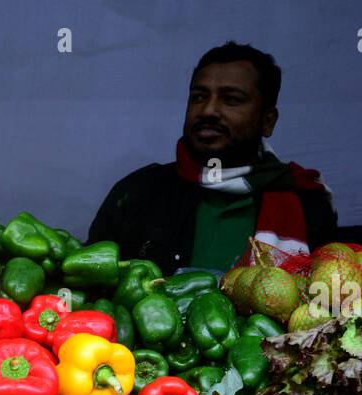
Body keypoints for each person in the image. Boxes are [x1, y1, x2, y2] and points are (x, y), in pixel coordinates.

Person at [87, 42, 336, 274]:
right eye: (199, 97)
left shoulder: (307, 202)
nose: (208, 110)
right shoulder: (135, 194)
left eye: (231, 99)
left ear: (267, 121)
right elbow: (88, 285)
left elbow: (329, 300)